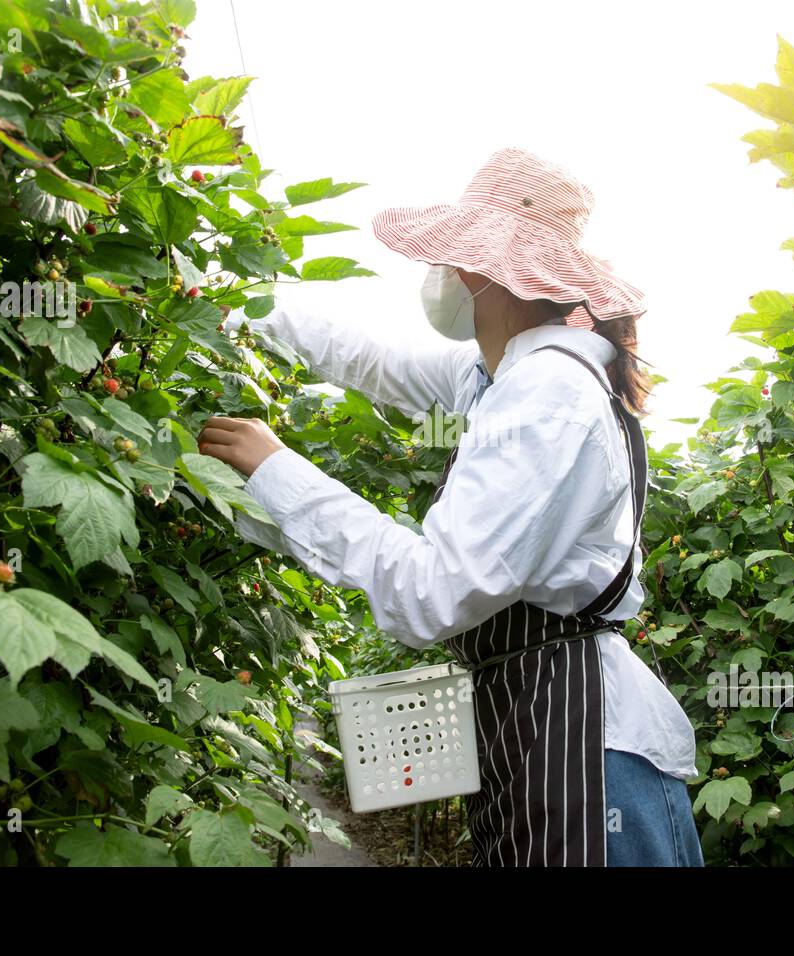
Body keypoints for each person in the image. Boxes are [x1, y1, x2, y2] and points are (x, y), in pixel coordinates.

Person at [199, 147, 702, 867]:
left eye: (453, 258)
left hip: (590, 768)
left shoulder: (548, 395)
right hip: (538, 736)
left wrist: (275, 468)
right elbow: (367, 360)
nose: (444, 276)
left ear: (480, 270)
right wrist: (232, 305)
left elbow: (429, 593)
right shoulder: (501, 377)